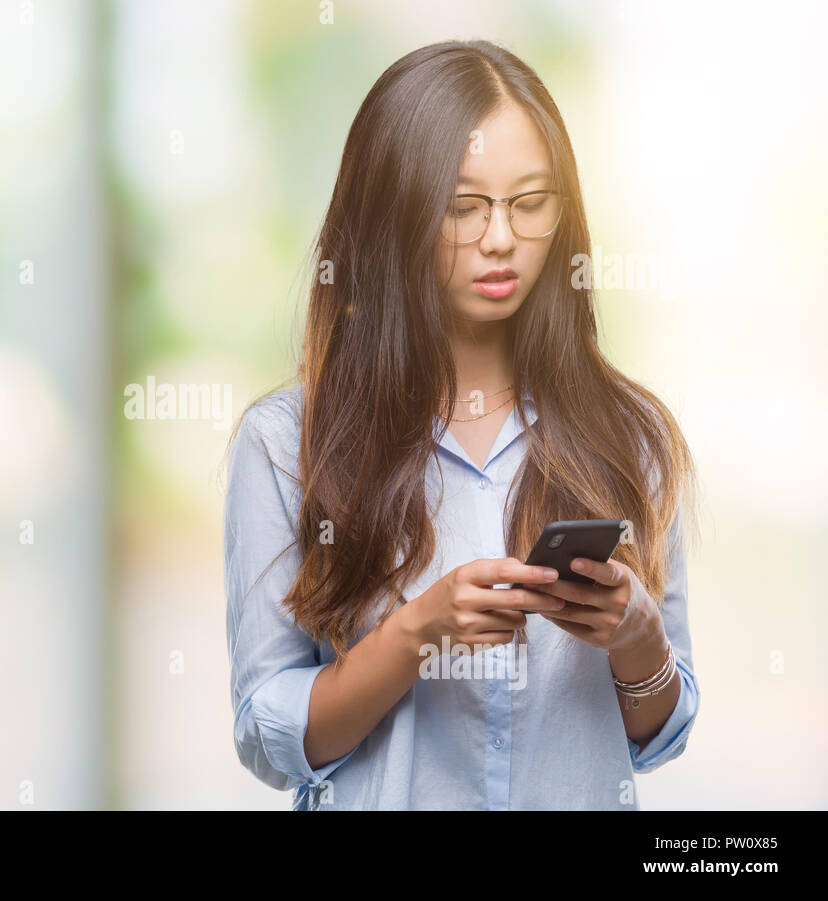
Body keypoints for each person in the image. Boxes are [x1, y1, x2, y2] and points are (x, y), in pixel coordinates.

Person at [223, 39, 700, 810]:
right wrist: (416, 635)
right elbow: (270, 738)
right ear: (395, 211)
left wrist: (637, 638)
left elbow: (655, 735)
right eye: (464, 206)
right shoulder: (287, 446)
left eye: (530, 201)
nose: (502, 237)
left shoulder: (631, 437)